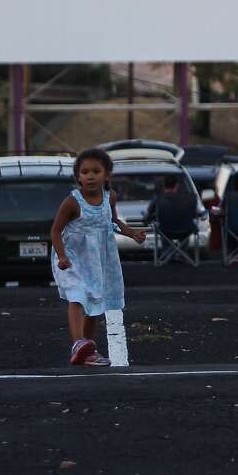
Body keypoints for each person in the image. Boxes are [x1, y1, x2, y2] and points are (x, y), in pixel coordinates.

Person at [50, 148, 145, 367]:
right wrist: (62, 256)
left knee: (94, 303)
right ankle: (78, 343)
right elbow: (55, 231)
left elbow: (112, 221)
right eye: (85, 172)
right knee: (77, 296)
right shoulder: (72, 202)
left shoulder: (110, 197)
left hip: (98, 259)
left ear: (107, 174)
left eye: (96, 171)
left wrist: (132, 233)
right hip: (72, 258)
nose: (90, 176)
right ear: (78, 176)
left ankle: (87, 351)